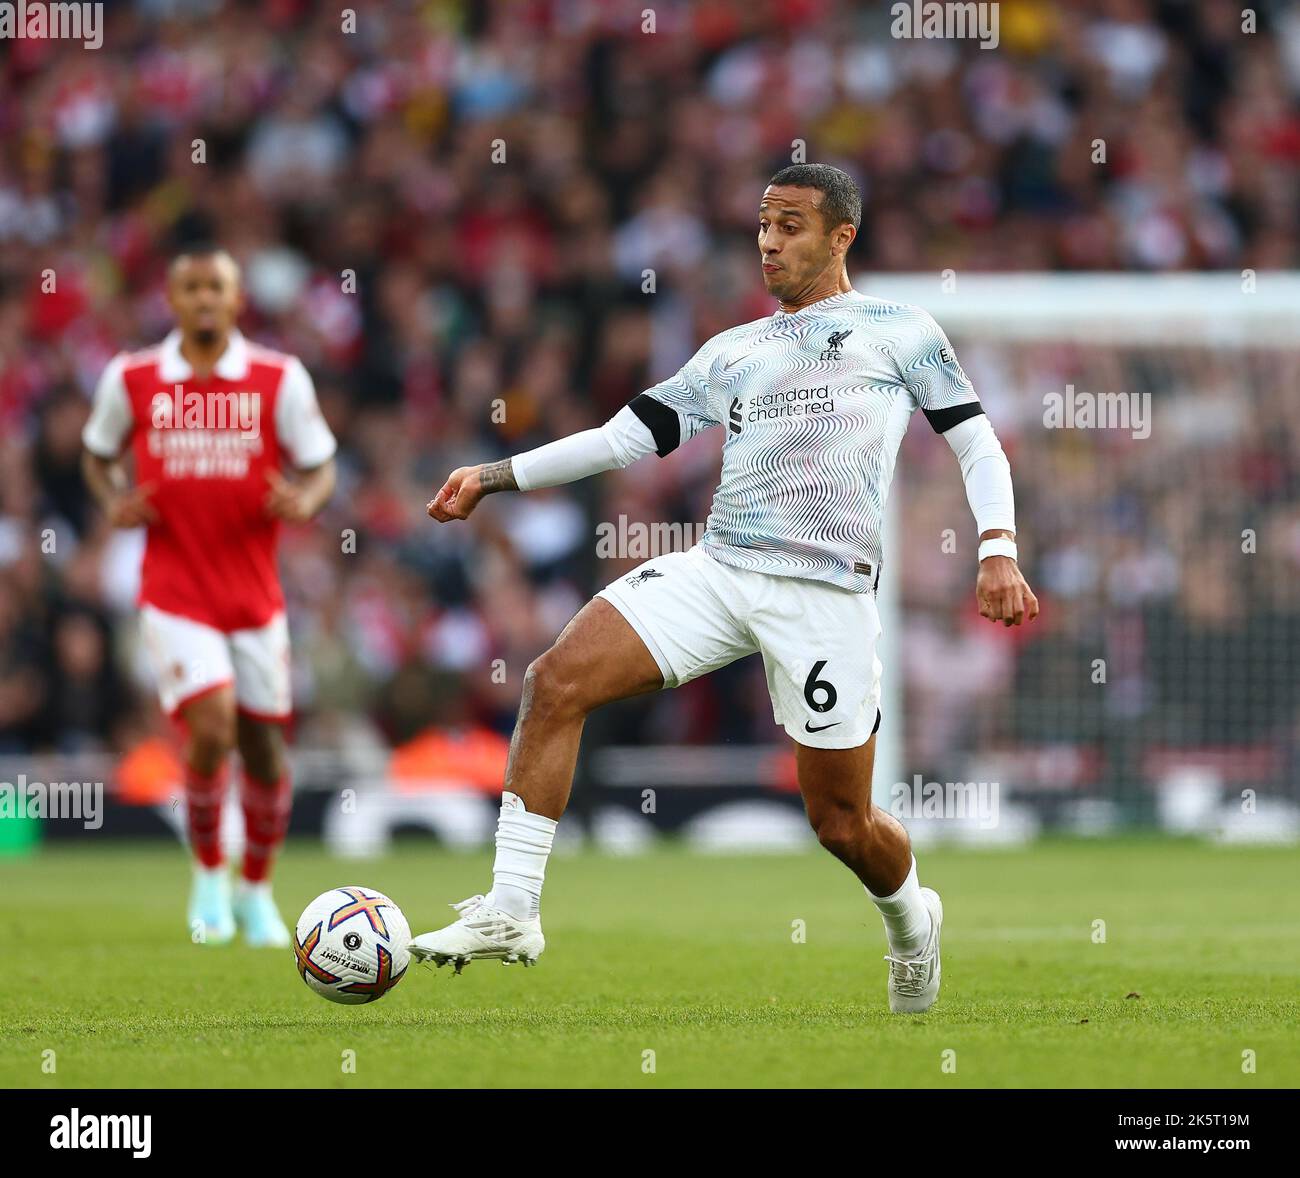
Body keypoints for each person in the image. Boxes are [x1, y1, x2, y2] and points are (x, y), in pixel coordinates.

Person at [413, 164, 1039, 1012]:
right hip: (721, 569)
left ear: (841, 236)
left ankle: (911, 924)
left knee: (842, 825)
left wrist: (996, 547)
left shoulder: (899, 330)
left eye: (790, 226)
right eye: (763, 225)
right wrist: (494, 475)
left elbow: (976, 444)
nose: (769, 243)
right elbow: (618, 440)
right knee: (553, 681)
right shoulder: (733, 349)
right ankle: (512, 910)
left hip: (826, 594)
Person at [81, 247, 337, 947]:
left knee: (263, 752)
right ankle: (208, 875)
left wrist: (303, 501)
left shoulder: (277, 378)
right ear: (170, 296)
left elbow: (319, 465)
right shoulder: (131, 377)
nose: (201, 299)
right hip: (173, 591)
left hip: (254, 598)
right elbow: (96, 453)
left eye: (214, 287)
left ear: (235, 299)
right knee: (214, 727)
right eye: (190, 286)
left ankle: (255, 889)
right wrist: (111, 501)